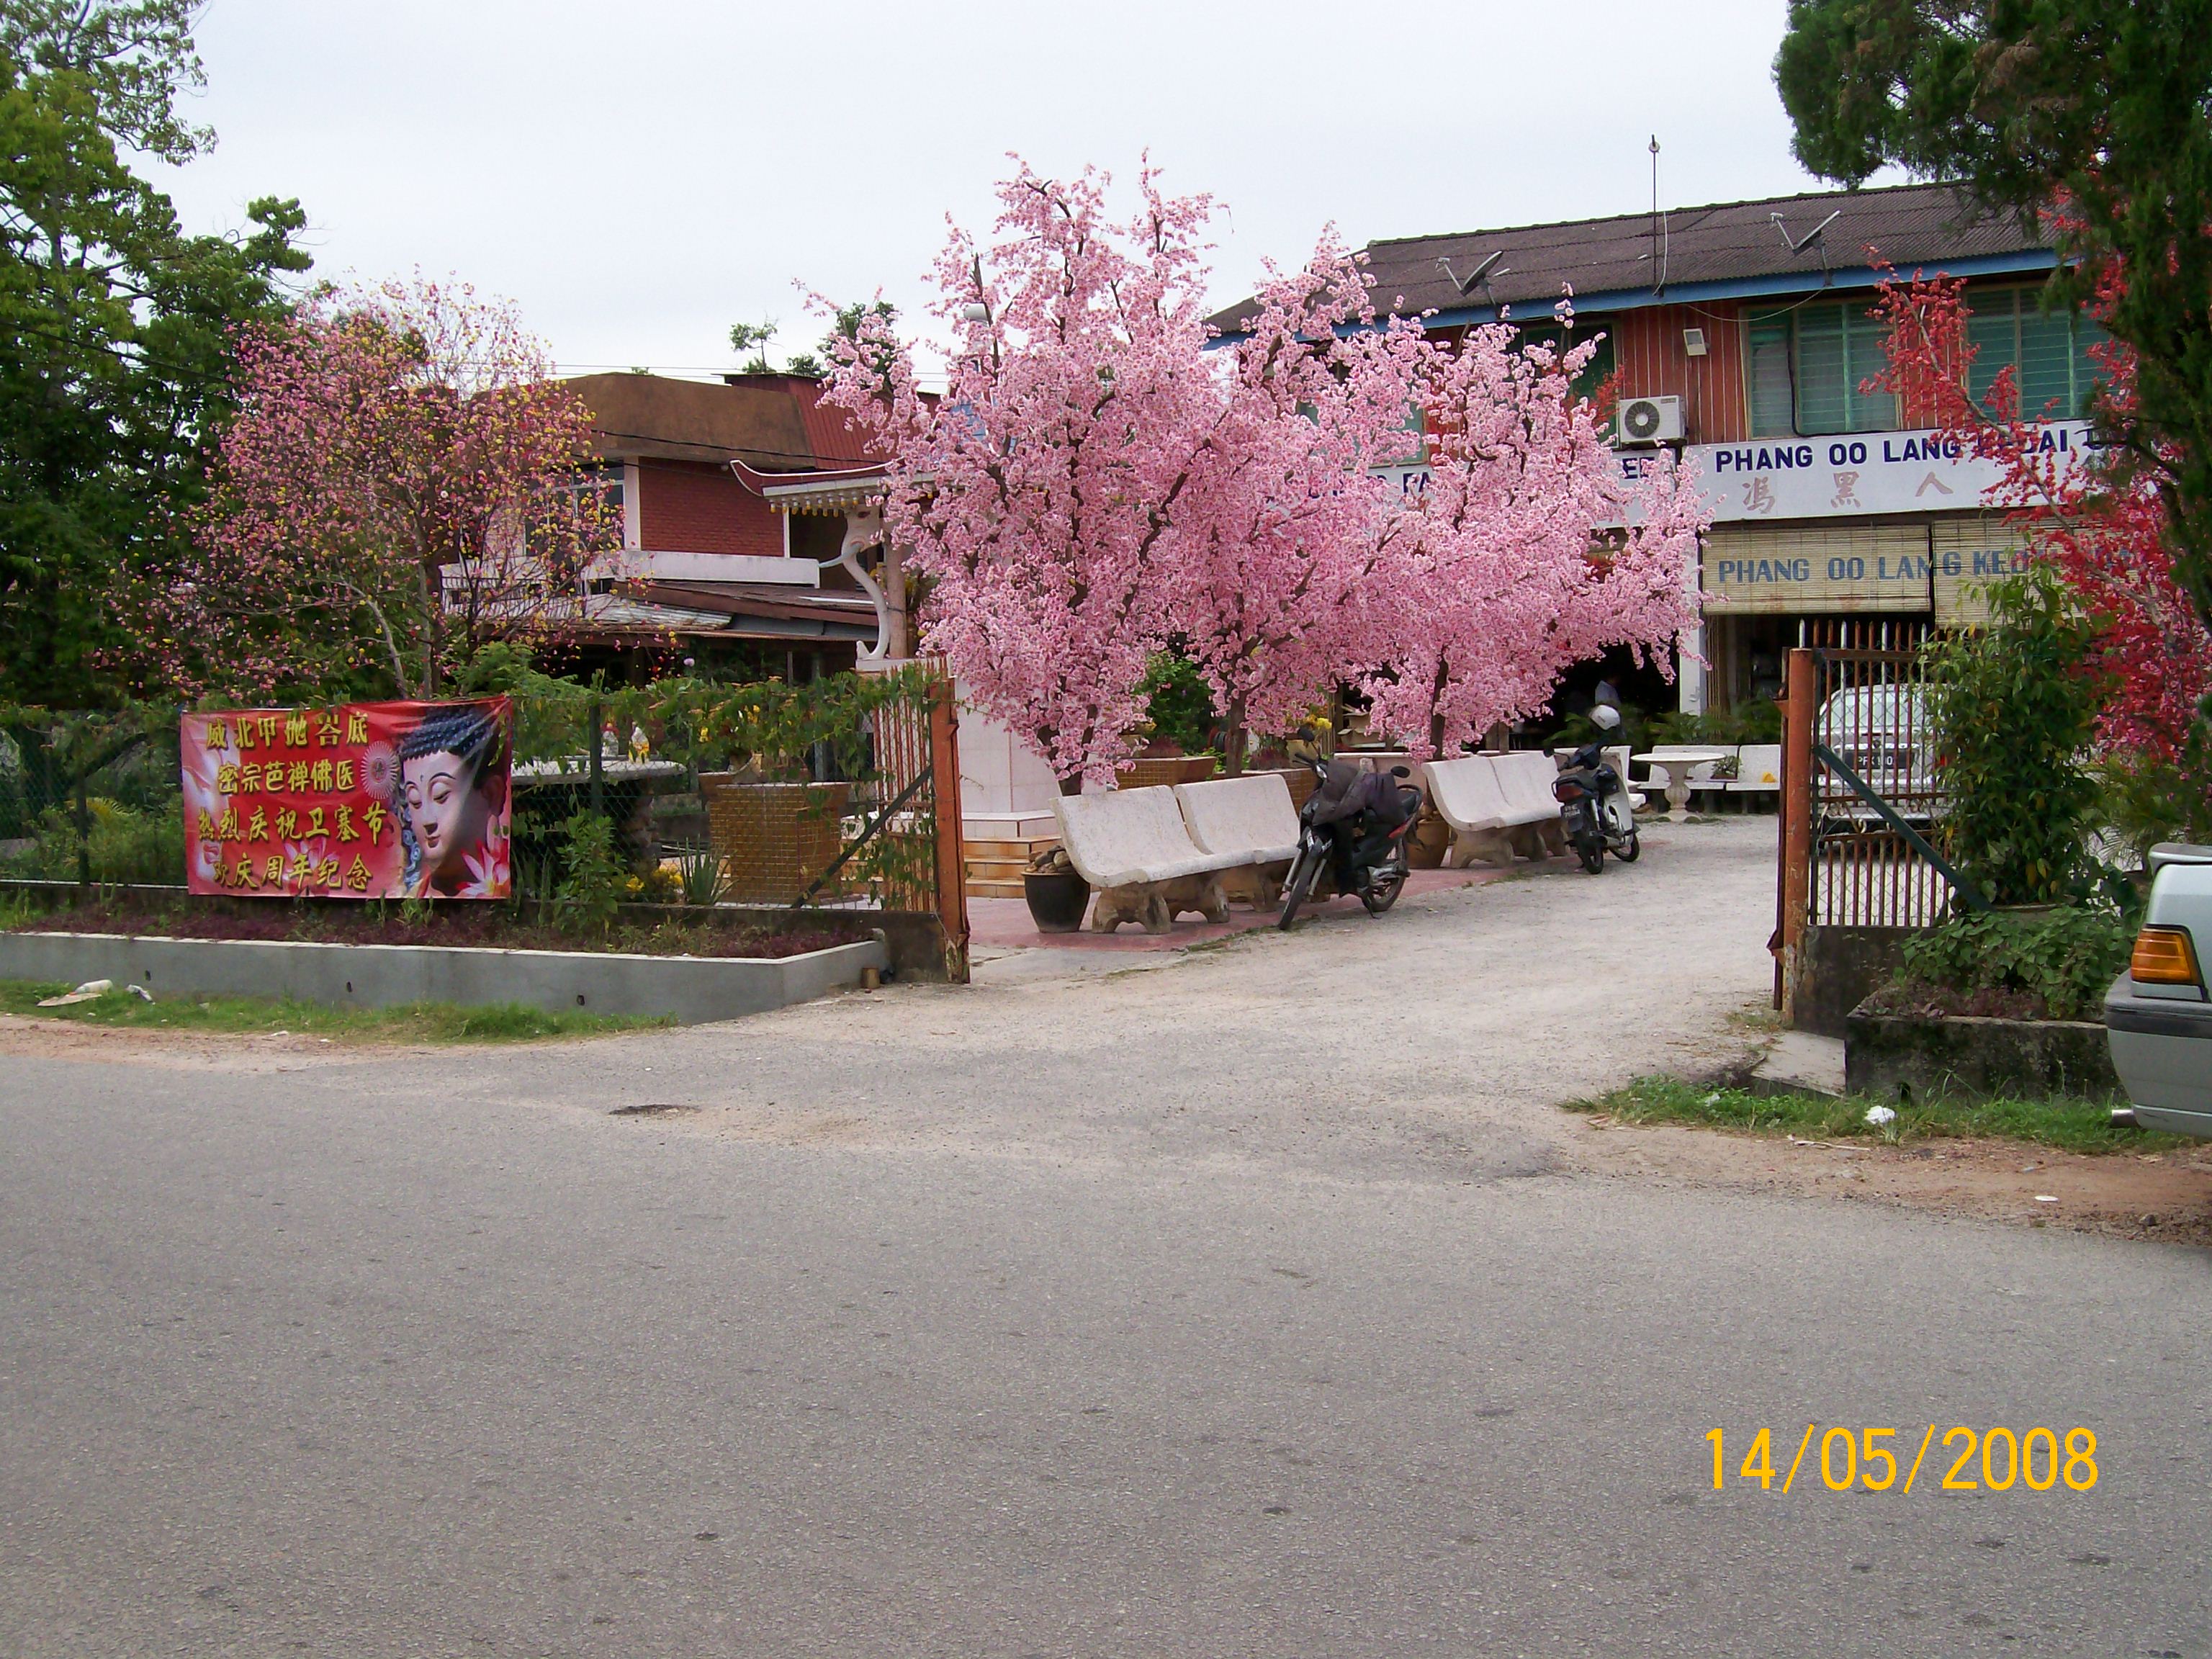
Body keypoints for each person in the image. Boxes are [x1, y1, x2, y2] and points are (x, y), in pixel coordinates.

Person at [395, 702, 508, 897]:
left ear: (491, 794)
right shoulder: (408, 895)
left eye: (441, 796)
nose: (427, 821)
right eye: (415, 802)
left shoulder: (500, 885)